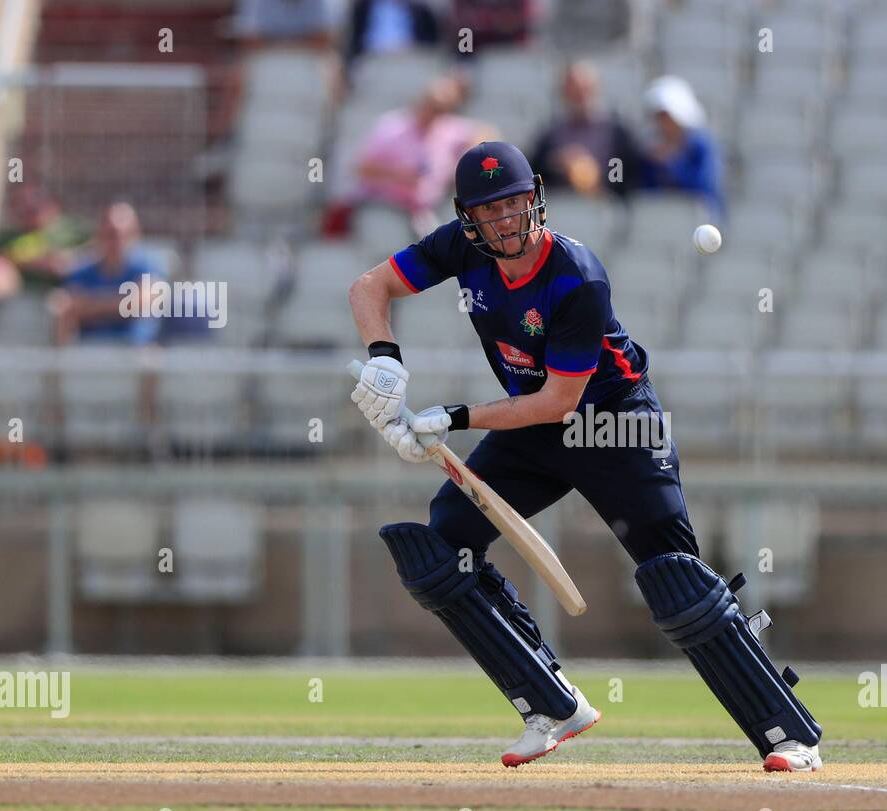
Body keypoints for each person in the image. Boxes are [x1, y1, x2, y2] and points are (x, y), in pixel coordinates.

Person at [347, 142, 821, 772]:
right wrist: (385, 359)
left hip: (613, 424)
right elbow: (370, 285)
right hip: (532, 429)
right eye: (489, 212)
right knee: (441, 551)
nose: (506, 222)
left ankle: (789, 734)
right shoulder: (459, 248)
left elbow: (558, 401)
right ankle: (551, 703)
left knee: (675, 577)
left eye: (514, 205)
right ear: (468, 219)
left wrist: (454, 419)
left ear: (536, 198)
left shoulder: (576, 275)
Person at [328, 74, 490, 237]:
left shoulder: (450, 128)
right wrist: (400, 175)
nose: (433, 112)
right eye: (431, 105)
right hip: (382, 206)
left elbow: (485, 135)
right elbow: (361, 168)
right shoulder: (392, 126)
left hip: (422, 213)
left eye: (441, 108)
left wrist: (463, 162)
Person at [48, 203, 164, 346]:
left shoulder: (147, 265)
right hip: (89, 353)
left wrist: (88, 306)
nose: (116, 241)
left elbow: (144, 302)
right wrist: (121, 304)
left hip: (135, 353)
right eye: (110, 234)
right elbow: (64, 305)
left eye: (123, 234)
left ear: (135, 234)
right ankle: (60, 365)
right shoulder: (83, 271)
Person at [529, 61, 640, 200]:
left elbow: (628, 176)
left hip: (606, 209)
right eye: (573, 91)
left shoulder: (616, 133)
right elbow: (535, 176)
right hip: (563, 208)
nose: (580, 97)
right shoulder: (551, 134)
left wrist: (599, 177)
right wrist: (556, 164)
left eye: (585, 90)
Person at [638, 76, 724, 219]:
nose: (663, 124)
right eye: (659, 117)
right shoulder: (650, 151)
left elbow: (704, 189)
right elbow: (646, 192)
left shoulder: (701, 146)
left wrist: (672, 163)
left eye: (667, 117)